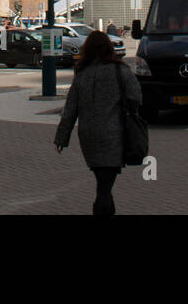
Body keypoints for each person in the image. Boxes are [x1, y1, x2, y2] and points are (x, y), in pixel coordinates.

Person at [54, 30, 142, 216]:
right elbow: (136, 97)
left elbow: (70, 109)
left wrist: (62, 138)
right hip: (114, 135)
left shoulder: (82, 74)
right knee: (104, 188)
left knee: (103, 181)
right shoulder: (120, 70)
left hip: (88, 136)